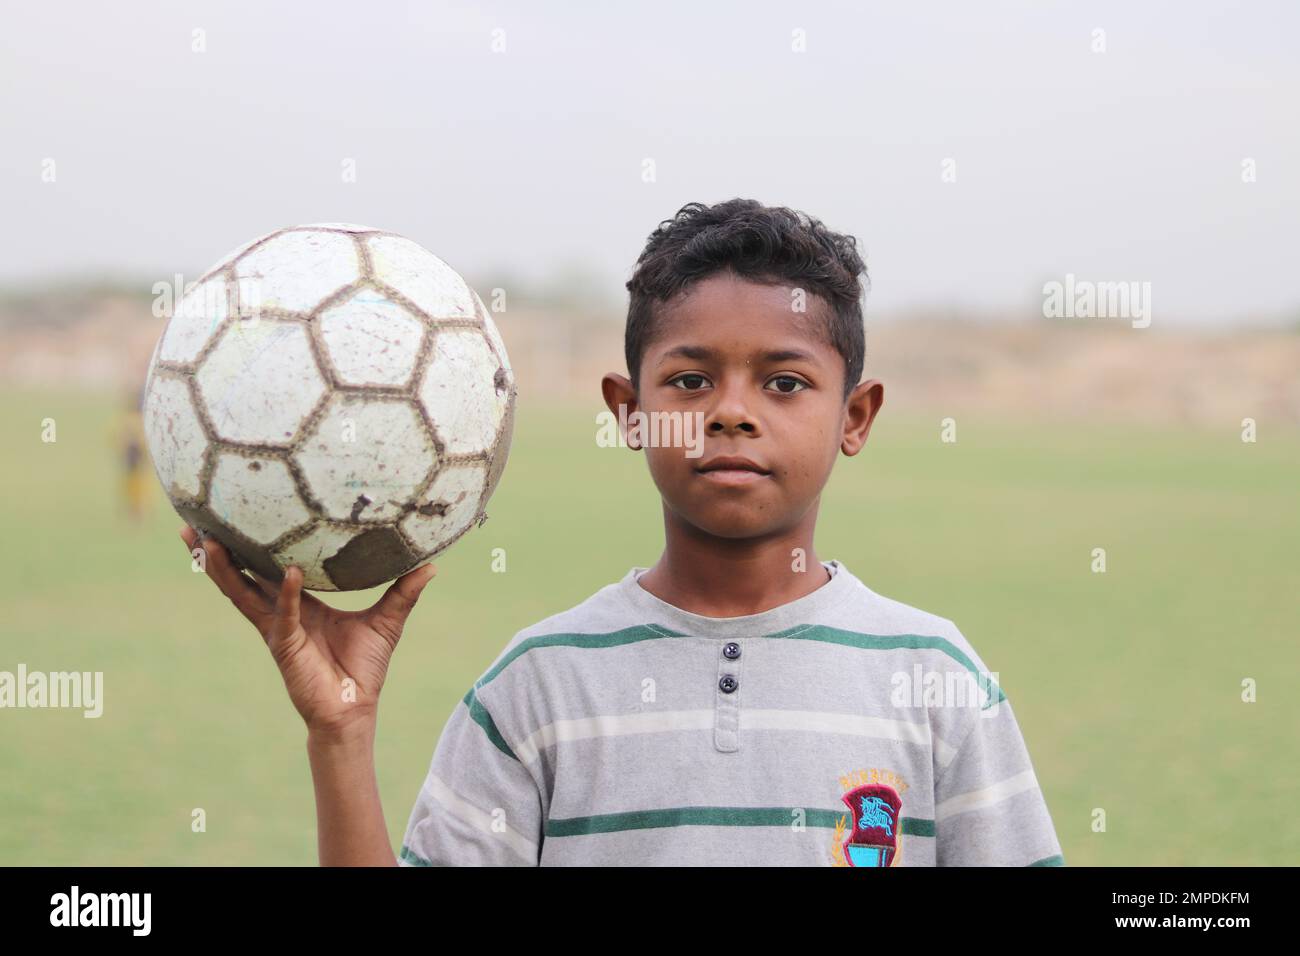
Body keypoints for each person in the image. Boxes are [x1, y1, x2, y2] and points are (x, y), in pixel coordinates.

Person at [181, 198, 1064, 866]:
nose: (730, 414)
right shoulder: (535, 690)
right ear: (628, 411)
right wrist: (342, 733)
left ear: (856, 416)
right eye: (688, 382)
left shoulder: (939, 682)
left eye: (784, 384)